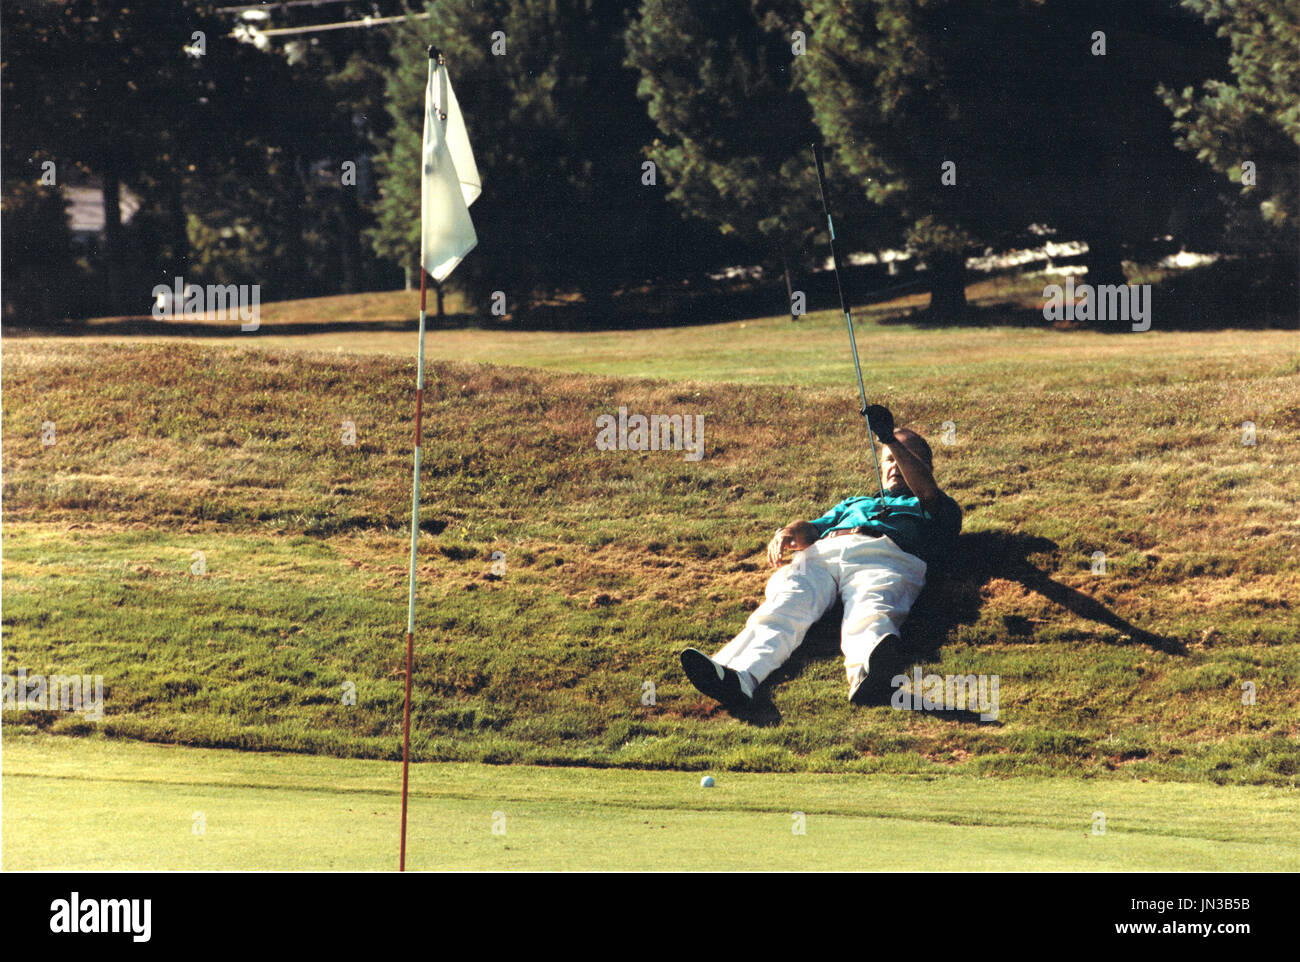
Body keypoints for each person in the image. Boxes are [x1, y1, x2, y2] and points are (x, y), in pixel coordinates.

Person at [680, 405, 962, 707]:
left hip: (885, 556)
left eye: (904, 458)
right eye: (888, 459)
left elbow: (929, 493)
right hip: (823, 554)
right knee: (786, 603)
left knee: (872, 607)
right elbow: (813, 528)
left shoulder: (937, 506)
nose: (894, 465)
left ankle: (869, 672)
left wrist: (888, 438)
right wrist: (789, 531)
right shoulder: (856, 503)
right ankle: (737, 676)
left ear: (925, 468)